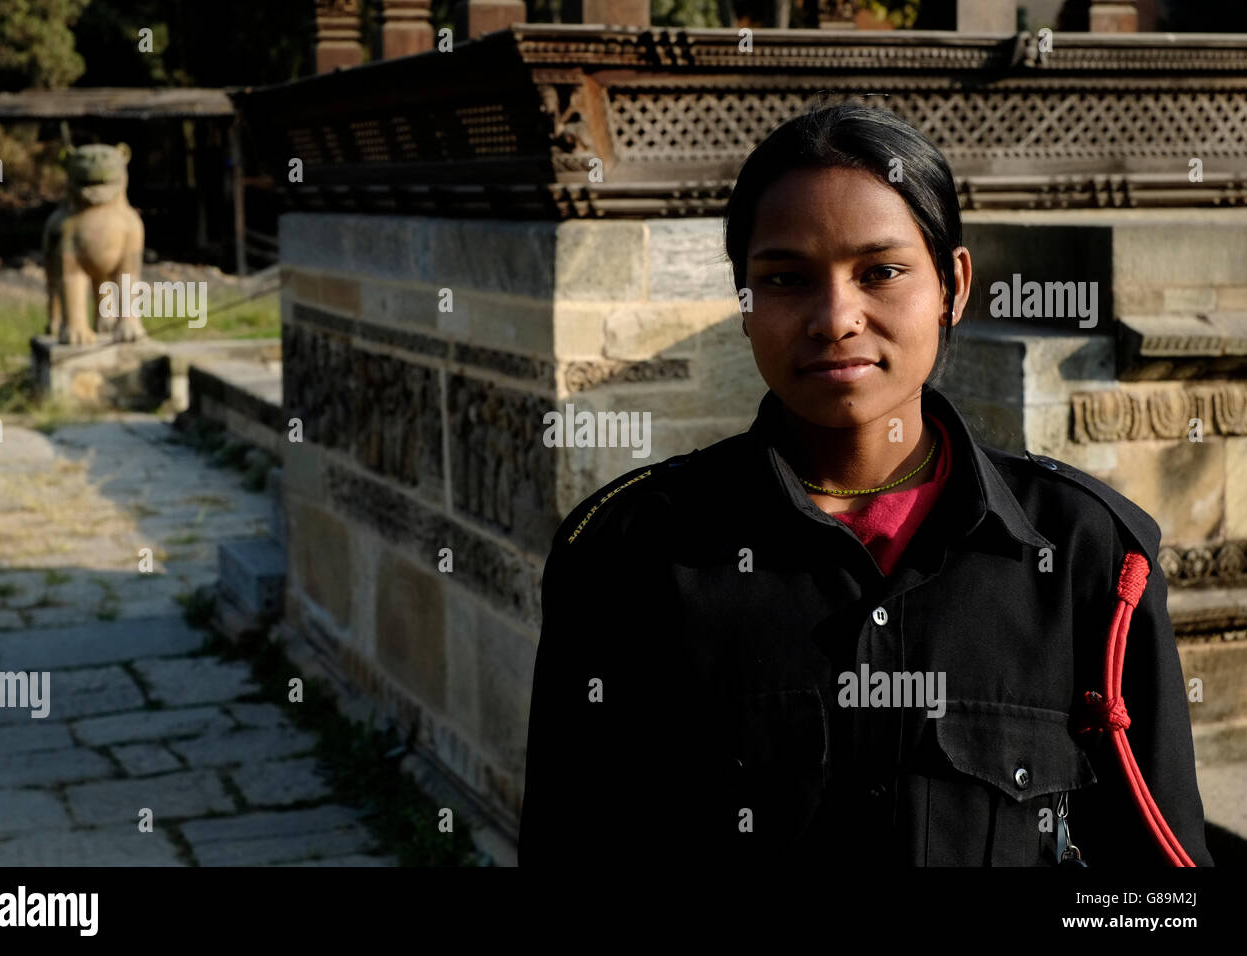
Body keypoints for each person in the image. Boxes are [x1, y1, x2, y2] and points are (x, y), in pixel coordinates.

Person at [517, 104, 1214, 867]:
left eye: (880, 272)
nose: (835, 318)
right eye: (785, 279)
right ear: (744, 305)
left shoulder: (1089, 555)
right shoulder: (630, 556)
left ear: (953, 284)